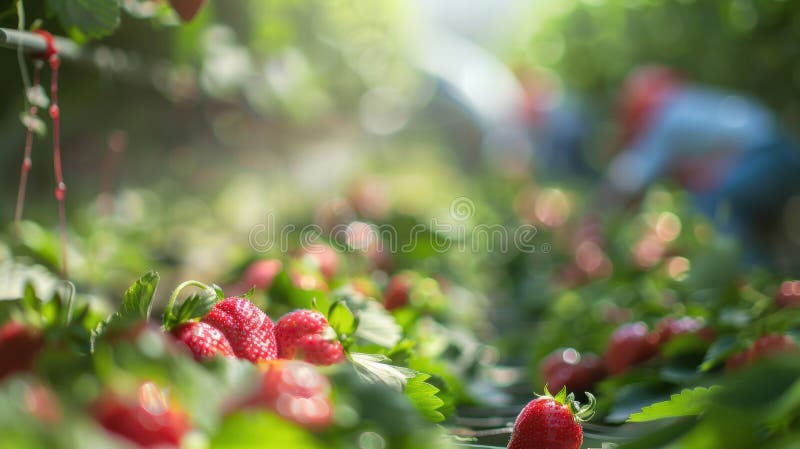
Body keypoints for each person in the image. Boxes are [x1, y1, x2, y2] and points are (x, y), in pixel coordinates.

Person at [597, 65, 800, 266]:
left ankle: (749, 276)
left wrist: (596, 216)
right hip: (782, 152)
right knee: (761, 226)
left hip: (767, 156)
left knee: (717, 204)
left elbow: (628, 179)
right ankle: (773, 278)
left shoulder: (667, 116)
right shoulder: (688, 102)